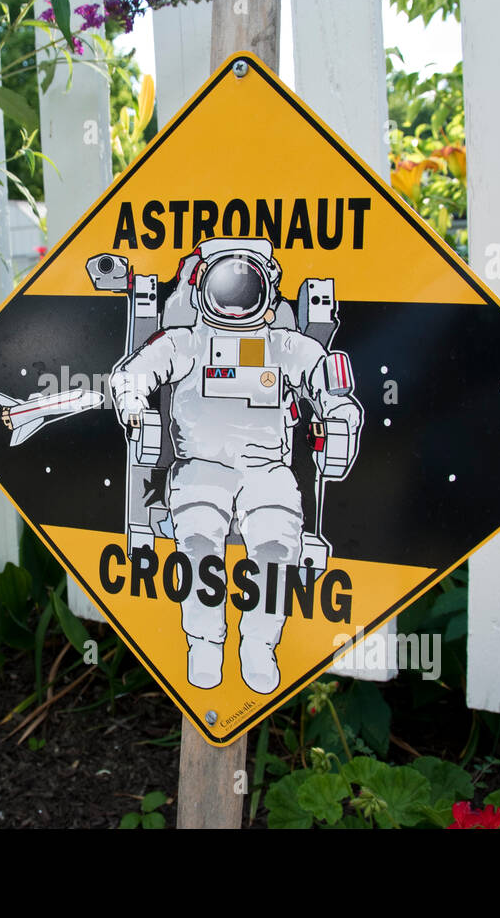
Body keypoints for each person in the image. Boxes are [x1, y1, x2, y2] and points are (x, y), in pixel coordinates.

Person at [109, 237, 362, 694]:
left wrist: (340, 413)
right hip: (200, 466)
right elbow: (132, 373)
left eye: (246, 285)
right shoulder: (183, 342)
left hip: (266, 469)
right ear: (204, 286)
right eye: (226, 283)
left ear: (267, 290)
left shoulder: (285, 345)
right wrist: (132, 403)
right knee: (200, 540)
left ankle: (259, 645)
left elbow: (330, 383)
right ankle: (204, 643)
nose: (235, 296)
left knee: (275, 548)